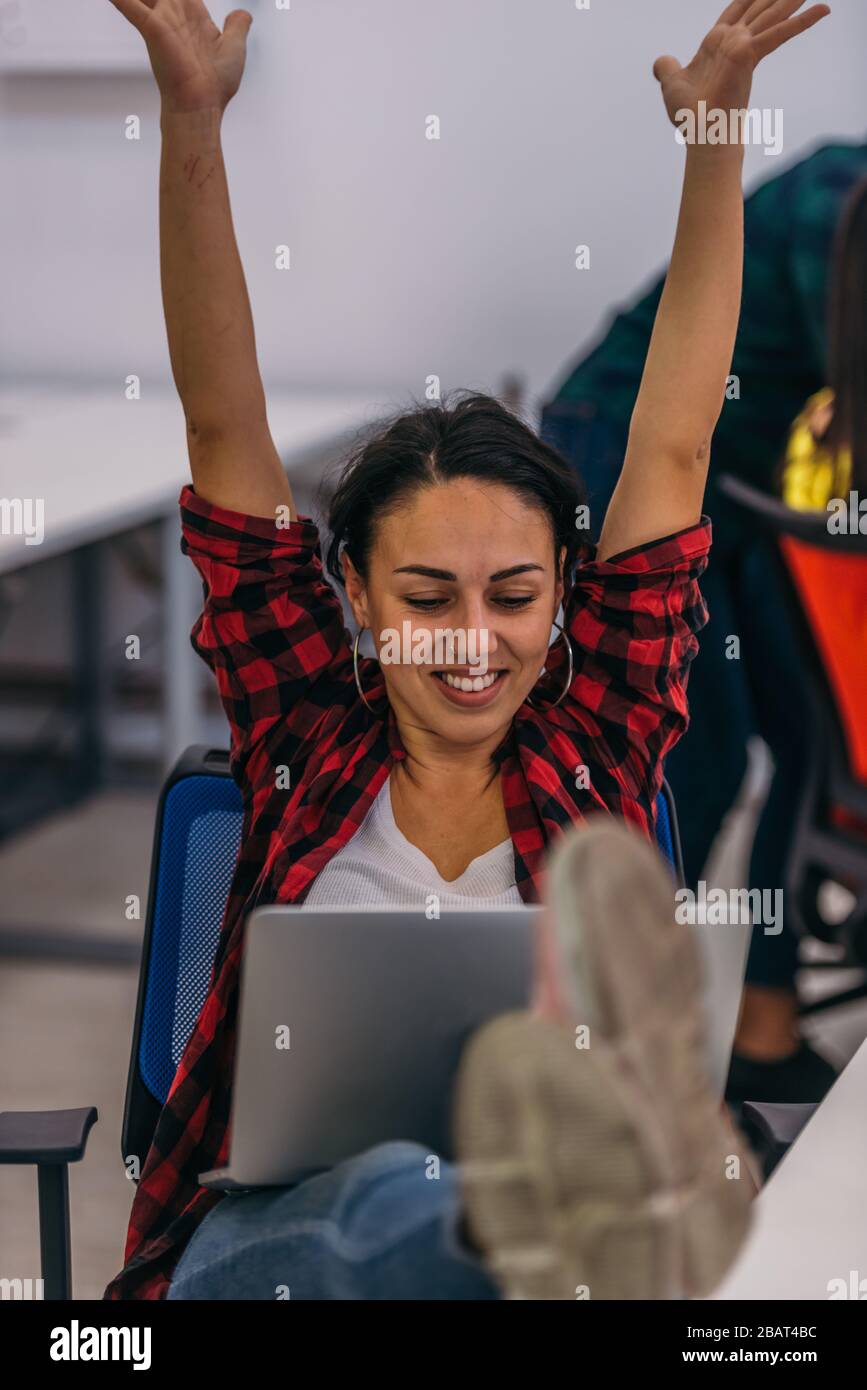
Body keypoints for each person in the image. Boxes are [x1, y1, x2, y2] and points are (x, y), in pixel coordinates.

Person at [103, 0, 827, 1300]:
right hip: (274, 1242)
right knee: (397, 1202)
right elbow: (222, 422)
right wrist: (191, 122)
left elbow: (668, 444)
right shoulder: (306, 730)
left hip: (531, 1226)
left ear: (562, 606)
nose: (469, 639)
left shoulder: (593, 740)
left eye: (512, 595)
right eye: (427, 592)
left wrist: (711, 136)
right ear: (358, 597)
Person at [542, 124, 867, 1113]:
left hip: (740, 482)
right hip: (622, 445)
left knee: (813, 737)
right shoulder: (839, 207)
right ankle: (616, 1058)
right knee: (695, 755)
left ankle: (762, 1029)